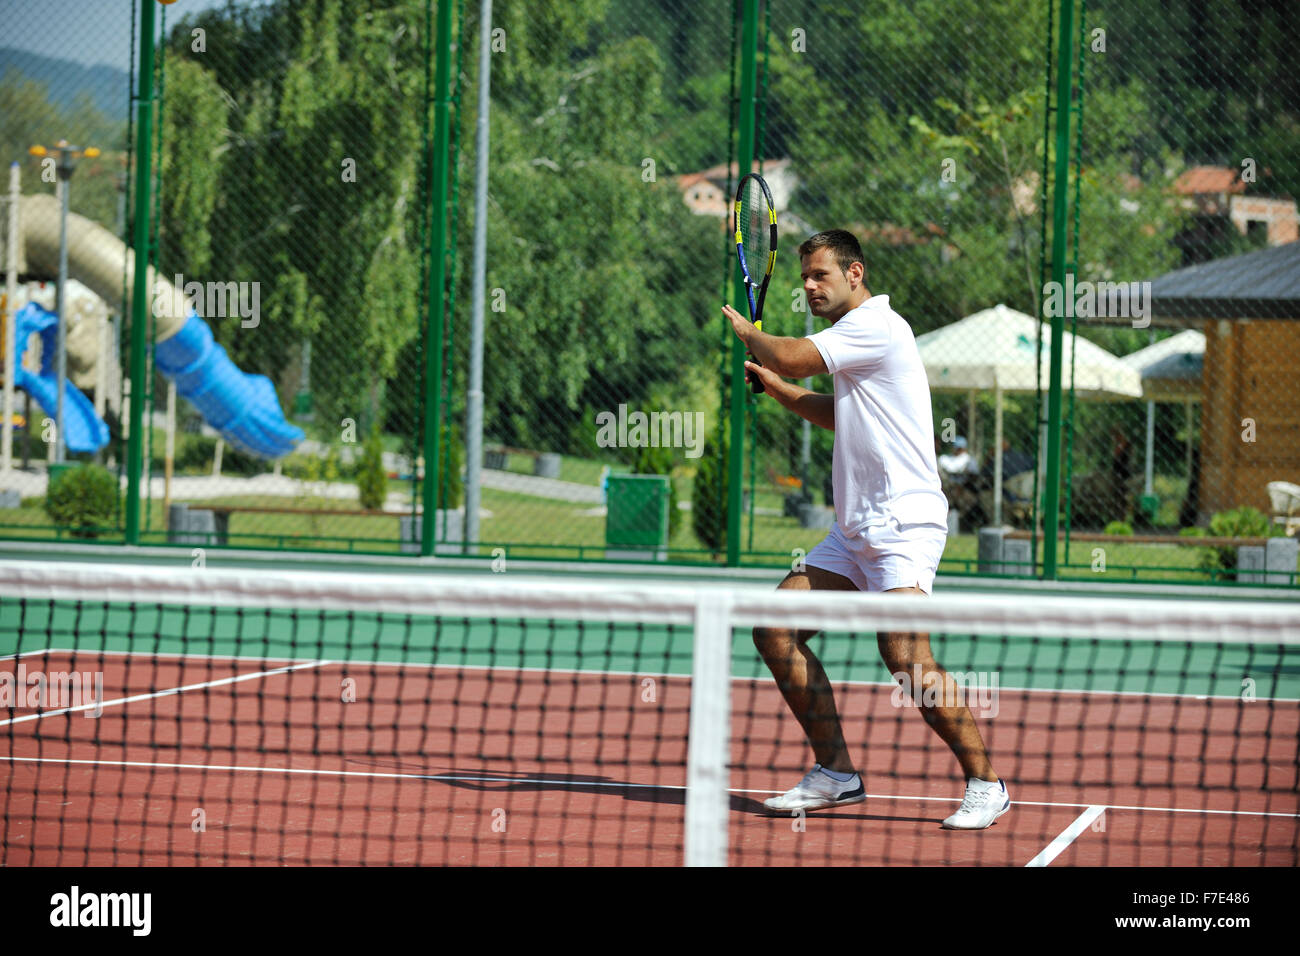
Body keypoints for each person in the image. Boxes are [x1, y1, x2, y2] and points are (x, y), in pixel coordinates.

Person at [723, 230, 1009, 830]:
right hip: (855, 530)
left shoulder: (877, 326)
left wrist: (755, 340)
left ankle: (987, 783)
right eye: (804, 276)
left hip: (904, 524)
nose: (808, 286)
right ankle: (836, 774)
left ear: (855, 273)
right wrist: (781, 391)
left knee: (905, 656)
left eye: (820, 275)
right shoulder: (854, 341)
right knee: (774, 629)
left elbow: (794, 354)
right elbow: (837, 411)